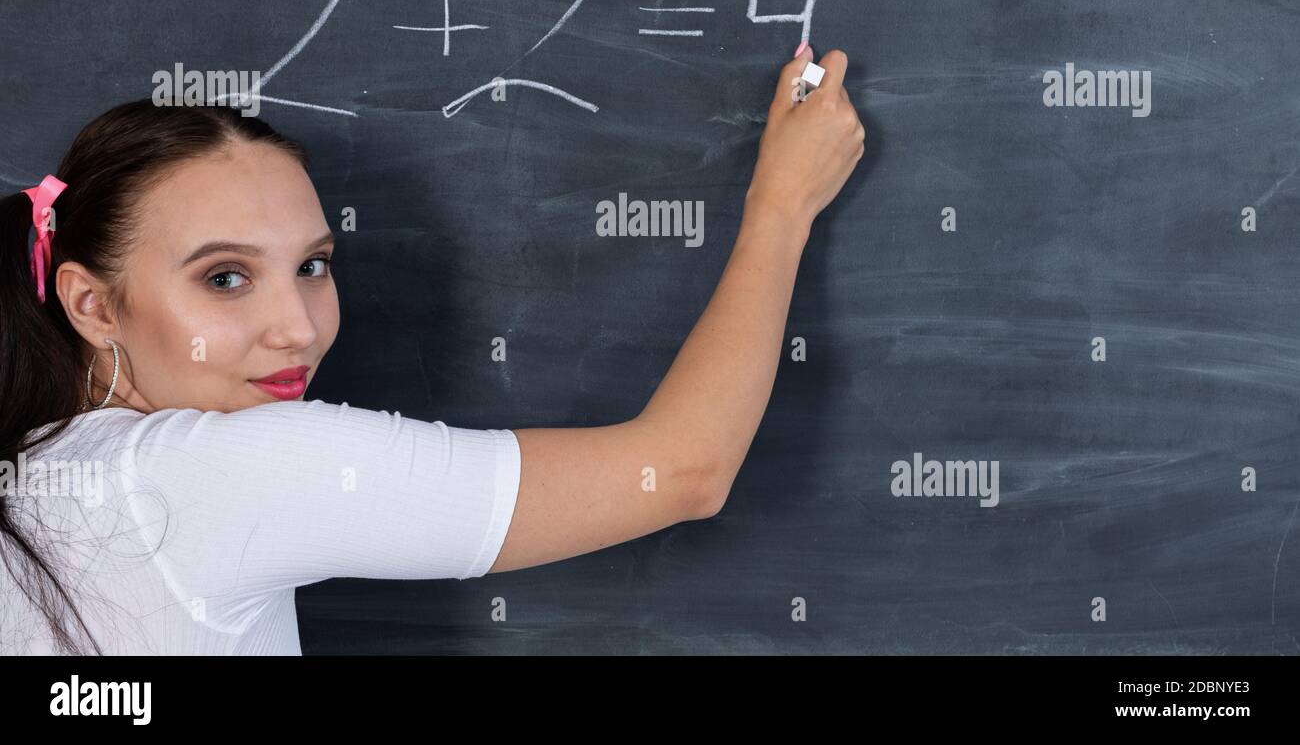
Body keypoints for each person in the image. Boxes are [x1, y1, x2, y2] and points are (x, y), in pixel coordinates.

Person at [0, 44, 864, 654]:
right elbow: (684, 471)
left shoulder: (29, 475)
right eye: (224, 278)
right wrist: (782, 207)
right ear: (91, 302)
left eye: (312, 266)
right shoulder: (221, 475)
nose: (298, 326)